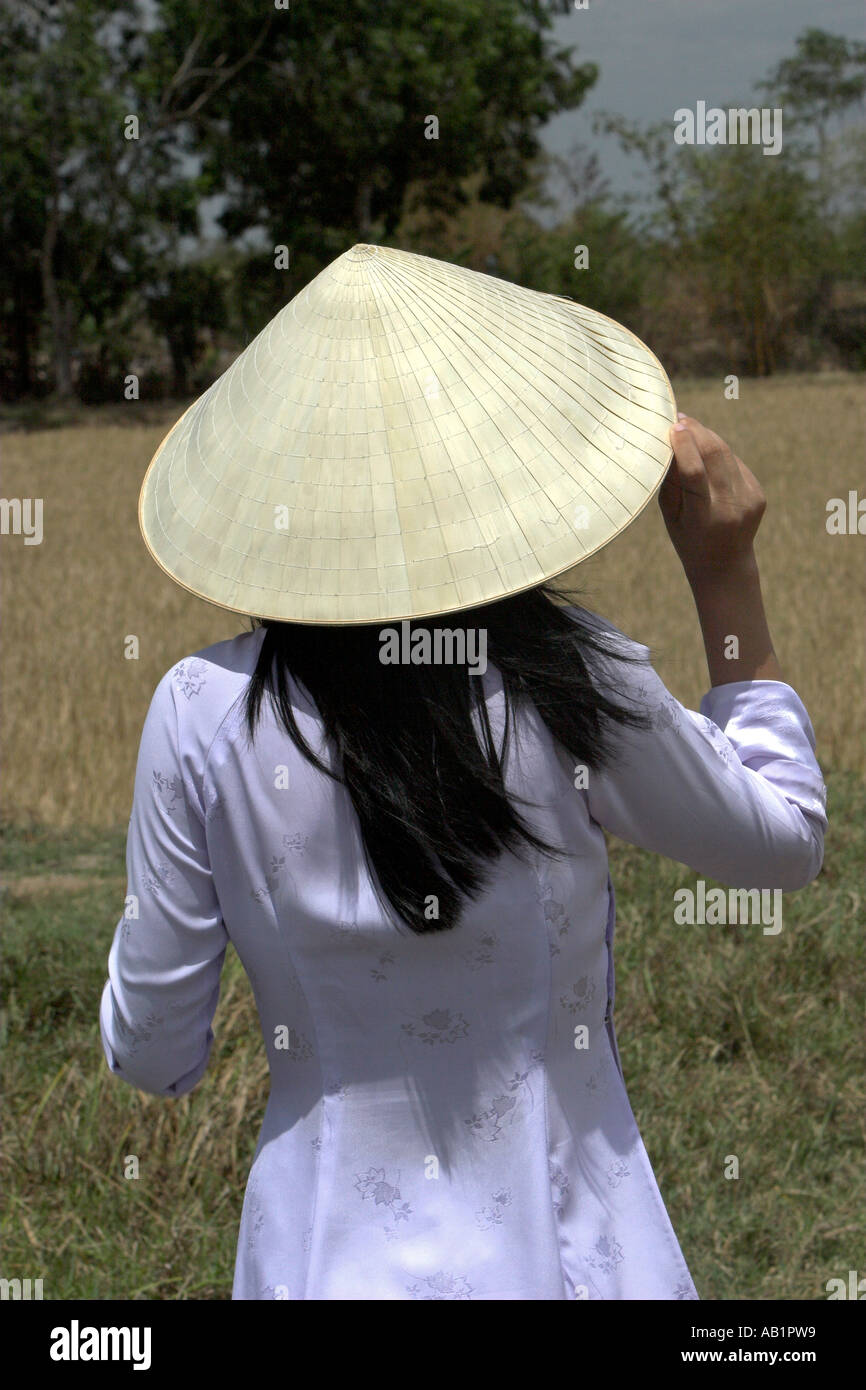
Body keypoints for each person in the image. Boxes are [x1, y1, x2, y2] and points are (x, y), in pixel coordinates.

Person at [99, 248, 826, 1300]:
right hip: (581, 1262)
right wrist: (723, 576)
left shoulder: (200, 712)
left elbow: (154, 1054)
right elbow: (783, 841)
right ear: (492, 472)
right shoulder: (569, 677)